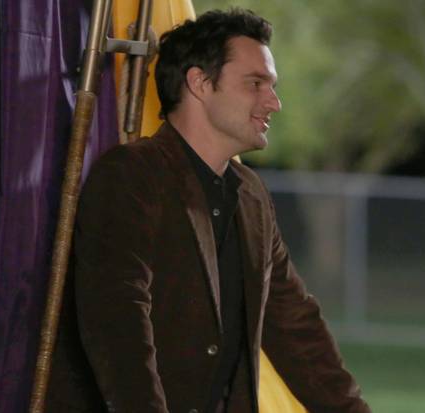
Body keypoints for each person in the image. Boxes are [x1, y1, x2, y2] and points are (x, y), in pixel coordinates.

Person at [46, 9, 370, 413]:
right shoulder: (131, 175)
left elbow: (295, 327)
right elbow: (118, 324)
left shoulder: (251, 195)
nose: (274, 103)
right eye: (255, 84)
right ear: (199, 83)